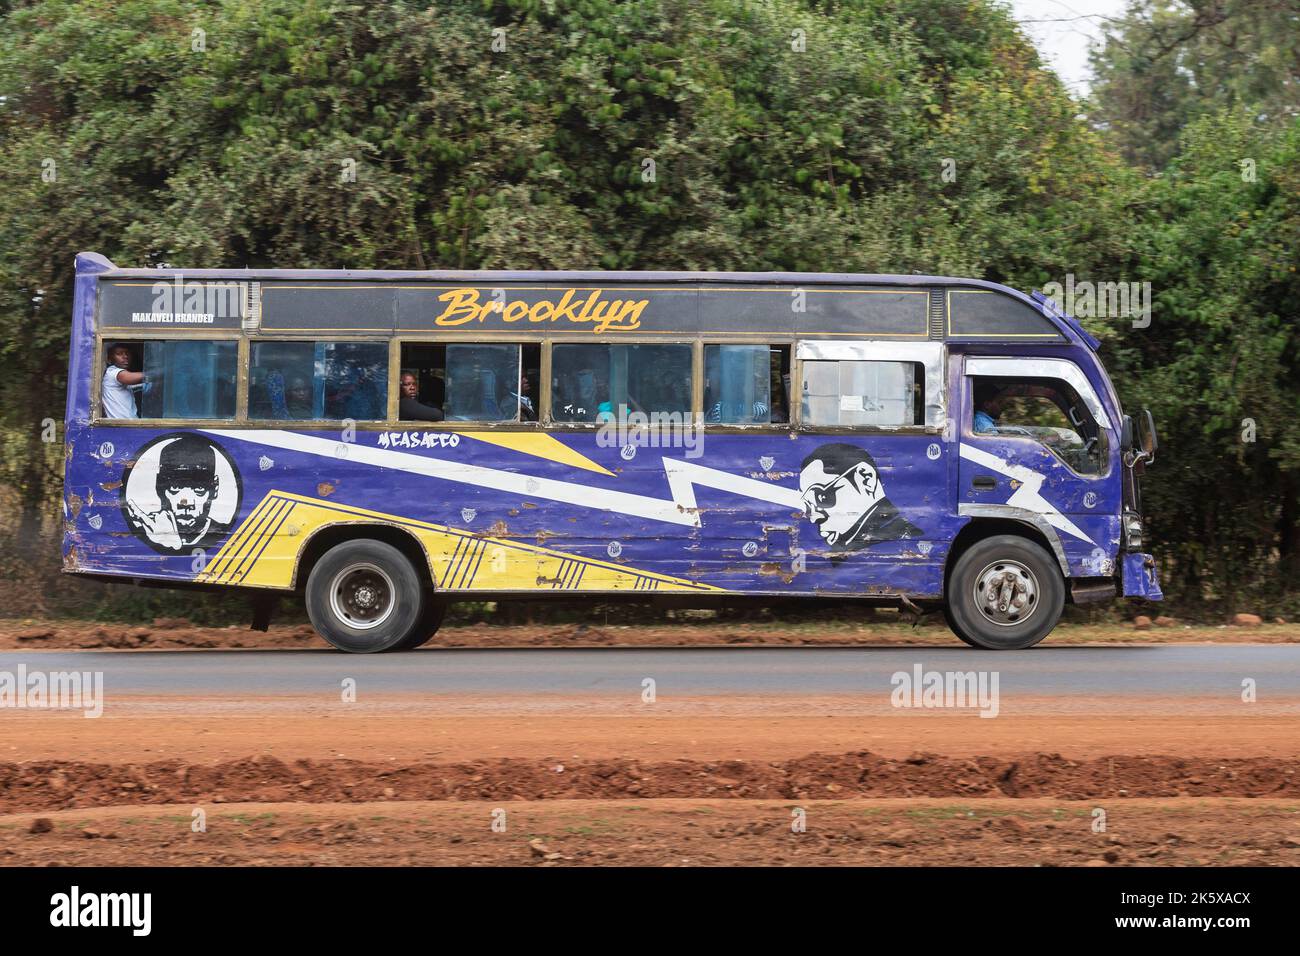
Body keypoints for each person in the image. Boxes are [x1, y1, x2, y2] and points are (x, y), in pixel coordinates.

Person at [799, 443, 921, 551]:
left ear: (865, 479)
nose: (813, 518)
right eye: (808, 505)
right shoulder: (848, 548)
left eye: (822, 498)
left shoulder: (897, 539)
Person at [126, 434, 229, 551]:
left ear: (214, 489)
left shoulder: (228, 536)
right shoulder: (141, 530)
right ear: (159, 487)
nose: (186, 503)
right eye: (175, 487)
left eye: (199, 488)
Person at [102, 343, 145, 419]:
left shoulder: (123, 381)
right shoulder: (113, 372)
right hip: (122, 426)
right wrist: (167, 372)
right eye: (119, 354)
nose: (125, 356)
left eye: (127, 353)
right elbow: (144, 376)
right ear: (109, 359)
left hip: (129, 425)